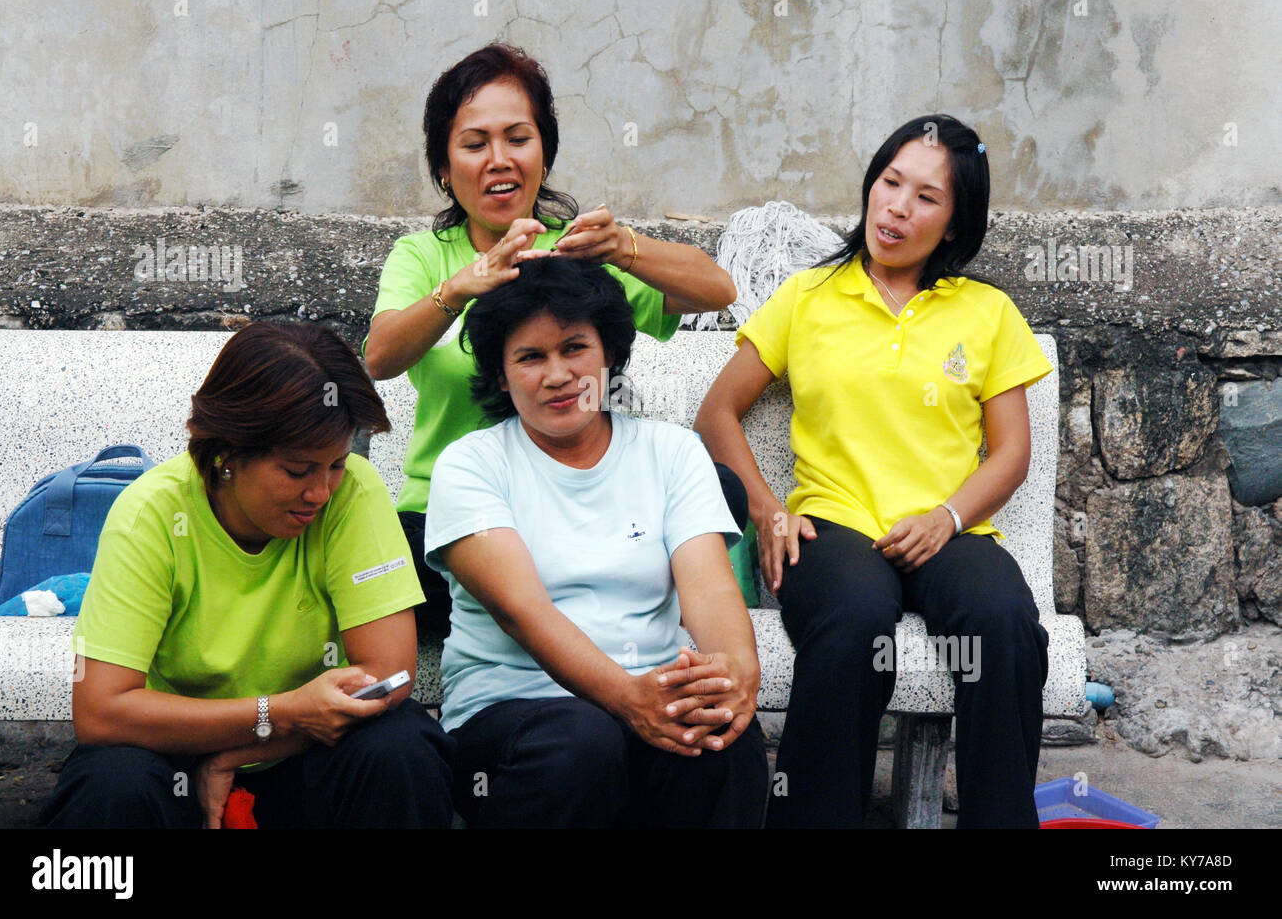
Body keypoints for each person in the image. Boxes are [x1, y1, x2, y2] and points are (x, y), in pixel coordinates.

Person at [694, 115, 1052, 828]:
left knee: (1005, 622)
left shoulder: (987, 312)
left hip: (948, 531)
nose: (896, 207)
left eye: (926, 197)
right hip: (833, 525)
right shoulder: (808, 297)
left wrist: (947, 516)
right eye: (890, 183)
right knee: (855, 620)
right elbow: (716, 413)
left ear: (954, 223)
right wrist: (768, 510)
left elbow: (1011, 451)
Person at [364, 43, 742, 640]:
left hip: (585, 512)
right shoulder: (423, 257)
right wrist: (461, 289)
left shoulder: (583, 250)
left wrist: (625, 248)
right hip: (457, 518)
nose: (498, 160)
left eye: (518, 138)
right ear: (443, 167)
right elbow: (380, 357)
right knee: (376, 570)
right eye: (473, 144)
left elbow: (717, 290)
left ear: (544, 151)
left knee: (718, 492)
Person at [41, 322, 454, 829]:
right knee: (111, 787)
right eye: (297, 470)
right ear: (226, 455)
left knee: (400, 748)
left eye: (336, 464)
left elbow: (389, 675)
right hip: (178, 761)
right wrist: (276, 712)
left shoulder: (354, 495)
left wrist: (242, 750)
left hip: (308, 750)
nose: (321, 492)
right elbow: (102, 713)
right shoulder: (152, 512)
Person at [423, 257, 768, 828]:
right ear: (501, 375)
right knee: (583, 741)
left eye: (574, 348)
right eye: (530, 357)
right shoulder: (471, 465)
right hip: (516, 713)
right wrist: (629, 701)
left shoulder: (672, 452)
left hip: (656, 694)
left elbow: (707, 587)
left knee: (721, 738)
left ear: (609, 354)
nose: (557, 375)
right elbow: (521, 611)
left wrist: (734, 674)